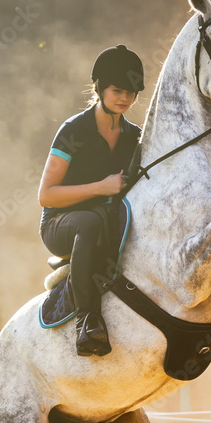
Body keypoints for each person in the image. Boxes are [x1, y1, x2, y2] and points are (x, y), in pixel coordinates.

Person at [38, 44, 145, 356]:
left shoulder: (135, 136)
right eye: (117, 90)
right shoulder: (74, 131)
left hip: (110, 227)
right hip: (61, 224)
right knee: (91, 219)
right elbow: (46, 195)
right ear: (99, 88)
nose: (125, 98)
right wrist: (101, 187)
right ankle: (86, 321)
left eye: (132, 92)